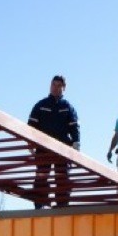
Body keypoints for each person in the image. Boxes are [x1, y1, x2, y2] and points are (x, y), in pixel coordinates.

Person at [27, 75, 80, 208]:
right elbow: (30, 125)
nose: (56, 88)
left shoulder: (67, 107)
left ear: (64, 88)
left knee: (62, 177)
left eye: (59, 86)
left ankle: (62, 206)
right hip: (43, 147)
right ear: (50, 86)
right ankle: (39, 205)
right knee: (41, 177)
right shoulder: (41, 105)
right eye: (53, 85)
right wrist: (30, 143)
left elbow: (74, 126)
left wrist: (76, 143)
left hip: (62, 147)